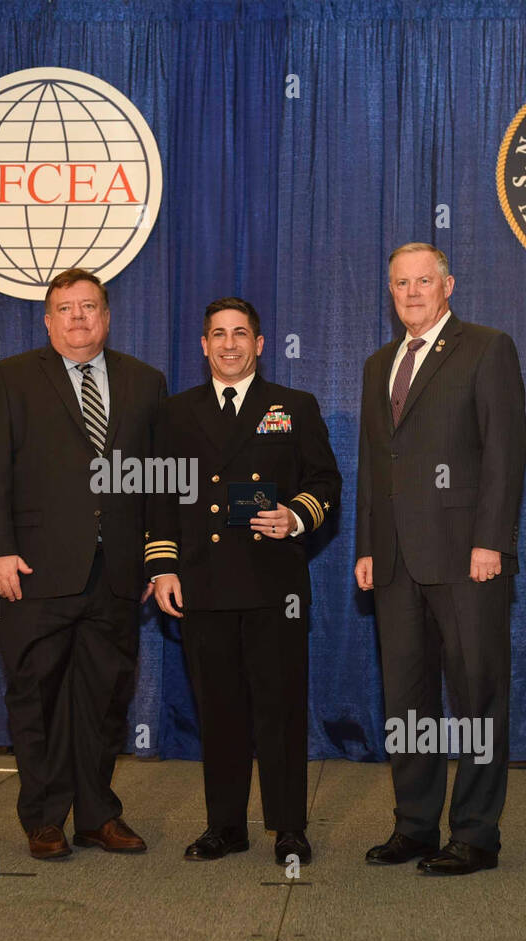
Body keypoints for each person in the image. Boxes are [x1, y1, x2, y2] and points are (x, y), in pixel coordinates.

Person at [0, 268, 167, 860]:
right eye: (66, 308)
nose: (78, 317)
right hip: (31, 571)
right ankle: (45, 818)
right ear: (48, 320)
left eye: (89, 307)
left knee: (105, 700)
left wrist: (156, 561)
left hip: (117, 575)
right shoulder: (9, 378)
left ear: (106, 317)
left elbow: (158, 481)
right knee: (38, 698)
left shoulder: (146, 381)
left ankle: (97, 816)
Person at [148, 297, 341, 864]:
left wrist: (297, 514)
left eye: (240, 334)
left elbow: (326, 481)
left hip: (272, 584)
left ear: (260, 344)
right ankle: (224, 826)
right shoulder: (174, 413)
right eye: (217, 335)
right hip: (202, 583)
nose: (229, 344)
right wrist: (161, 566)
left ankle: (288, 826)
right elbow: (158, 496)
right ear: (203, 345)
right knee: (219, 711)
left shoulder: (293, 406)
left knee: (280, 710)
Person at [354, 243, 526, 875]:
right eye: (401, 283)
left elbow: (505, 454)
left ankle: (477, 834)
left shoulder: (487, 348)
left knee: (478, 696)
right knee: (407, 701)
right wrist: (367, 547)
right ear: (390, 291)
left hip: (466, 560)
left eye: (424, 281)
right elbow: (376, 464)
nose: (413, 292)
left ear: (448, 285)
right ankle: (416, 826)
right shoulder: (379, 364)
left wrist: (493, 543)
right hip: (395, 564)